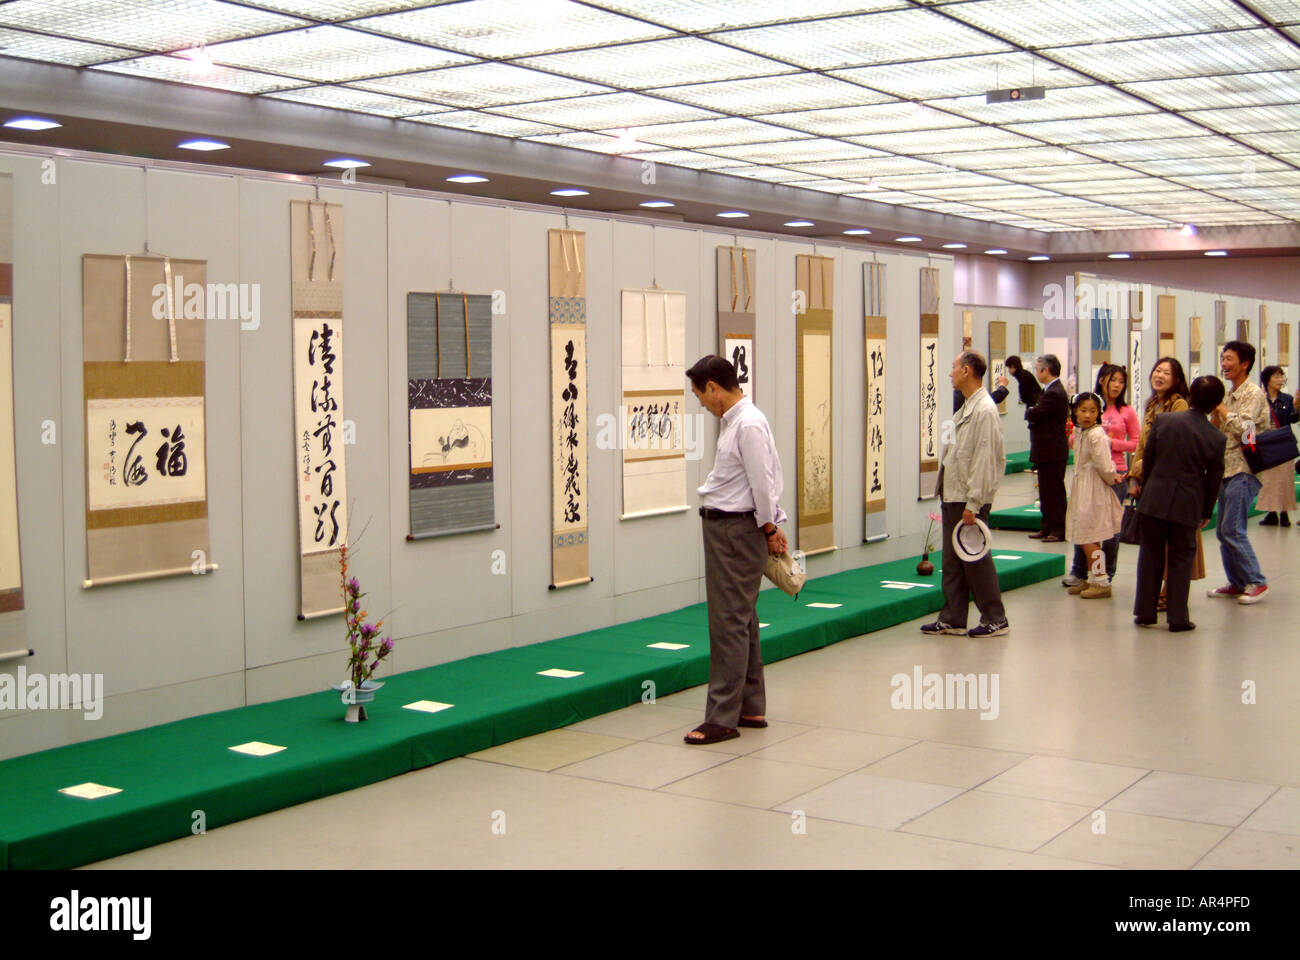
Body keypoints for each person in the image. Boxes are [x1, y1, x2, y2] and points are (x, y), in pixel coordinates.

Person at [685, 355, 787, 745]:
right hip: (734, 527)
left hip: (735, 530)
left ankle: (721, 717)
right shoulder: (739, 422)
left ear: (714, 387)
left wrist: (769, 526)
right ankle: (750, 705)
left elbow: (763, 483)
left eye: (700, 395)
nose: (701, 403)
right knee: (742, 619)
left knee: (727, 621)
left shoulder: (747, 423)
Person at [921, 351, 1009, 638]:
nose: (950, 373)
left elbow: (985, 459)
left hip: (969, 499)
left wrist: (974, 502)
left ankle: (996, 617)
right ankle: (953, 617)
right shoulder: (967, 406)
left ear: (967, 371)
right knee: (952, 560)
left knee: (975, 559)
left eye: (954, 367)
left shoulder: (984, 410)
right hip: (954, 494)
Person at [1133, 377, 1226, 632]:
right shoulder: (1216, 438)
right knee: (1181, 559)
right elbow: (1213, 479)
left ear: (1191, 395)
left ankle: (1144, 613)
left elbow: (1149, 461)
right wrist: (1206, 511)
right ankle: (1177, 617)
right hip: (1188, 503)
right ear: (1216, 404)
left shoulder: (1165, 422)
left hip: (1154, 499)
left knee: (1150, 555)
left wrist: (1147, 491)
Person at [1127, 357, 1199, 610]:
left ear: (1177, 379)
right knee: (1154, 544)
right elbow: (1141, 444)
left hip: (1172, 484)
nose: (1159, 376)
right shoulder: (1153, 404)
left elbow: (1172, 445)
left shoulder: (1179, 405)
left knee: (1172, 543)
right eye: (1157, 370)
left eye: (1166, 373)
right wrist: (1135, 477)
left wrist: (1139, 467)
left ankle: (1170, 592)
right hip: (1151, 480)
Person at [1063, 364, 1139, 588]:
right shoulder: (1083, 427)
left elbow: (1136, 442)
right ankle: (1086, 574)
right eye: (1111, 379)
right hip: (1086, 482)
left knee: (1105, 531)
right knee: (1086, 530)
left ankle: (1103, 576)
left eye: (1120, 381)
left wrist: (1111, 443)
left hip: (1112, 476)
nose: (1116, 385)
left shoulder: (1125, 412)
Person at [1208, 341, 1271, 604]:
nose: (1224, 364)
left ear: (1244, 363)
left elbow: (1246, 431)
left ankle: (1257, 581)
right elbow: (1219, 430)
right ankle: (1236, 582)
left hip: (1245, 470)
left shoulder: (1253, 393)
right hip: (1226, 469)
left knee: (1233, 529)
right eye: (1223, 358)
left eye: (1229, 359)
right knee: (1223, 532)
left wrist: (1221, 409)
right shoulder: (1229, 394)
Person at [1064, 392, 1125, 598]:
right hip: (1083, 487)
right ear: (1075, 412)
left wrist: (1112, 477)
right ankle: (1092, 578)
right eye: (1083, 410)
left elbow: (1104, 465)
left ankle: (1101, 581)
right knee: (1087, 533)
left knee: (1089, 534)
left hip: (1094, 490)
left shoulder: (1097, 434)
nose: (1088, 415)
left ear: (1099, 412)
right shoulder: (1081, 431)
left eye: (1092, 411)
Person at [1025, 354, 1068, 541]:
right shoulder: (1047, 391)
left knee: (1054, 492)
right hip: (1046, 451)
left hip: (1053, 450)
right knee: (1044, 492)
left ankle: (1058, 529)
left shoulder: (1054, 393)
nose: (1036, 373)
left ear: (1046, 370)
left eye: (1037, 369)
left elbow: (1036, 413)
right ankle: (1047, 526)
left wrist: (1031, 411)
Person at [1256, 365, 1300, 526]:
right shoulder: (1260, 398)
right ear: (1267, 379)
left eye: (1282, 377)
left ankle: (1285, 513)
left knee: (1285, 480)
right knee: (1267, 481)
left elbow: (1292, 420)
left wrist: (1295, 407)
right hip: (1266, 443)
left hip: (1283, 444)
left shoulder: (1287, 399)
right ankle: (1271, 512)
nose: (1280, 380)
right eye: (1276, 376)